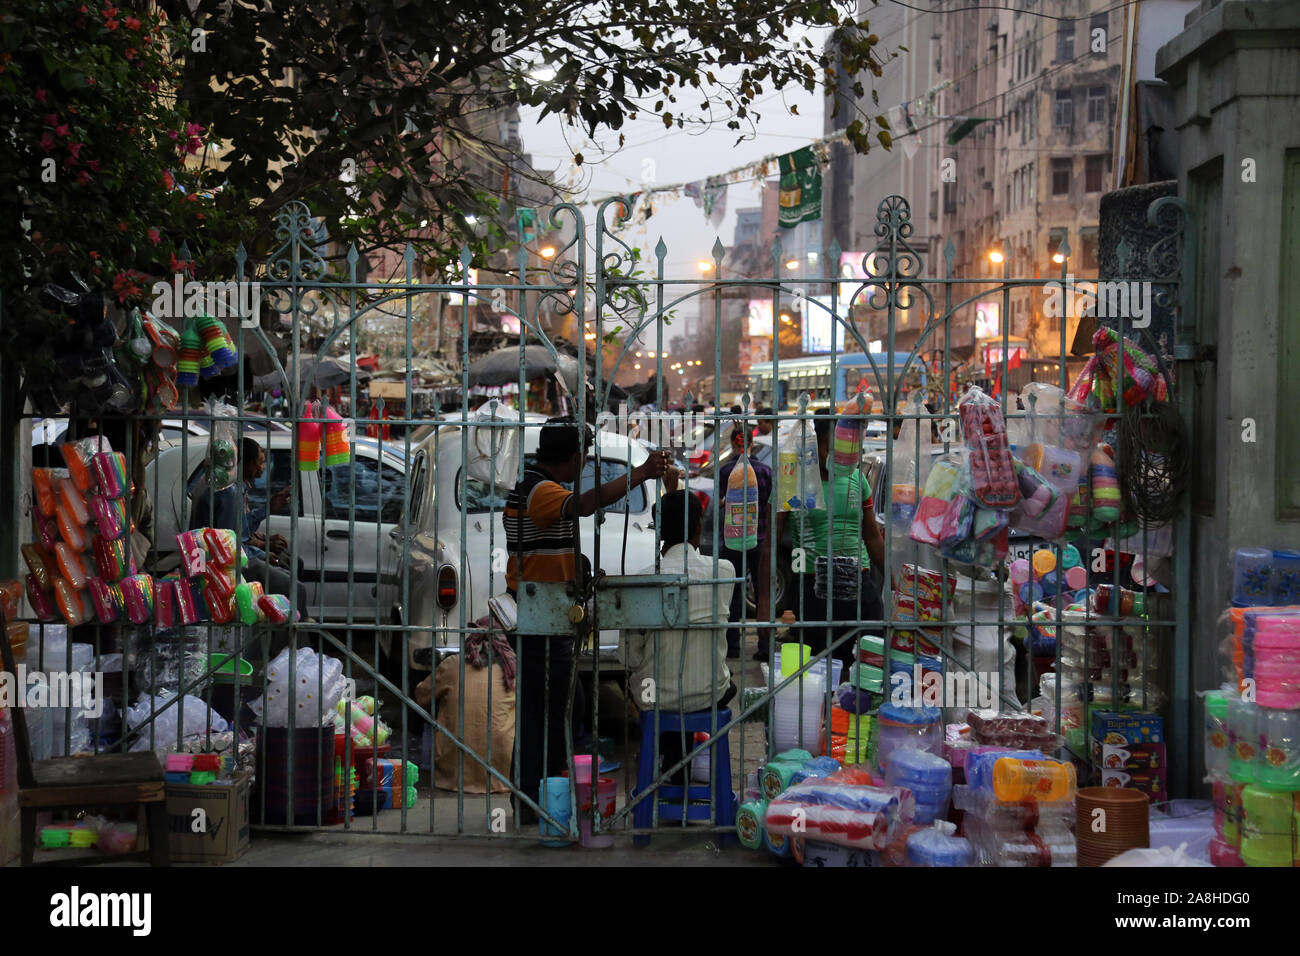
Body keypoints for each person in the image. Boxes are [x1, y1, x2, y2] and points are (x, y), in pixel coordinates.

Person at [504, 415, 670, 823]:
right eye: (586, 456)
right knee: (543, 716)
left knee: (563, 710)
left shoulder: (543, 486)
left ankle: (549, 791)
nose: (586, 464)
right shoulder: (538, 490)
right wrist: (641, 474)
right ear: (575, 456)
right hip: (538, 620)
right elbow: (581, 505)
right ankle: (533, 799)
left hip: (552, 616)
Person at [624, 489, 736, 785]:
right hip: (707, 692)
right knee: (717, 682)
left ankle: (671, 765)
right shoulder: (723, 572)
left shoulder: (643, 580)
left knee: (655, 683)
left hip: (655, 697)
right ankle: (677, 769)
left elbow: (631, 656)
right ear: (699, 527)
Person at [775, 410, 886, 671]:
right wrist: (766, 614)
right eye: (831, 448)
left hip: (860, 586)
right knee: (820, 674)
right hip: (815, 591)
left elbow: (872, 536)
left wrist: (895, 583)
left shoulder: (857, 479)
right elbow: (772, 542)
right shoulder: (794, 482)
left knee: (869, 671)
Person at [189, 436, 307, 621]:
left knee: (291, 563)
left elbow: (240, 529)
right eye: (260, 462)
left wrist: (267, 511)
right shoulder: (229, 491)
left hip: (233, 557)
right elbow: (233, 544)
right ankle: (290, 645)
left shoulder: (234, 488)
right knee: (295, 588)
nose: (263, 467)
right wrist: (263, 553)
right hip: (227, 566)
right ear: (248, 464)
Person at [416, 630, 517, 794]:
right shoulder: (513, 669)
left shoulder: (453, 664)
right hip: (502, 774)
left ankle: (431, 769)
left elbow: (421, 696)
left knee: (430, 719)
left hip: (453, 775)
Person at [716, 425, 773, 660]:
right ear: (752, 442)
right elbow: (770, 505)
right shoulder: (765, 471)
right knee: (762, 593)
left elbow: (722, 501)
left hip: (733, 541)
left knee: (733, 592)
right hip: (759, 540)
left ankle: (732, 645)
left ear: (733, 443)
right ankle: (764, 647)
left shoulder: (727, 471)